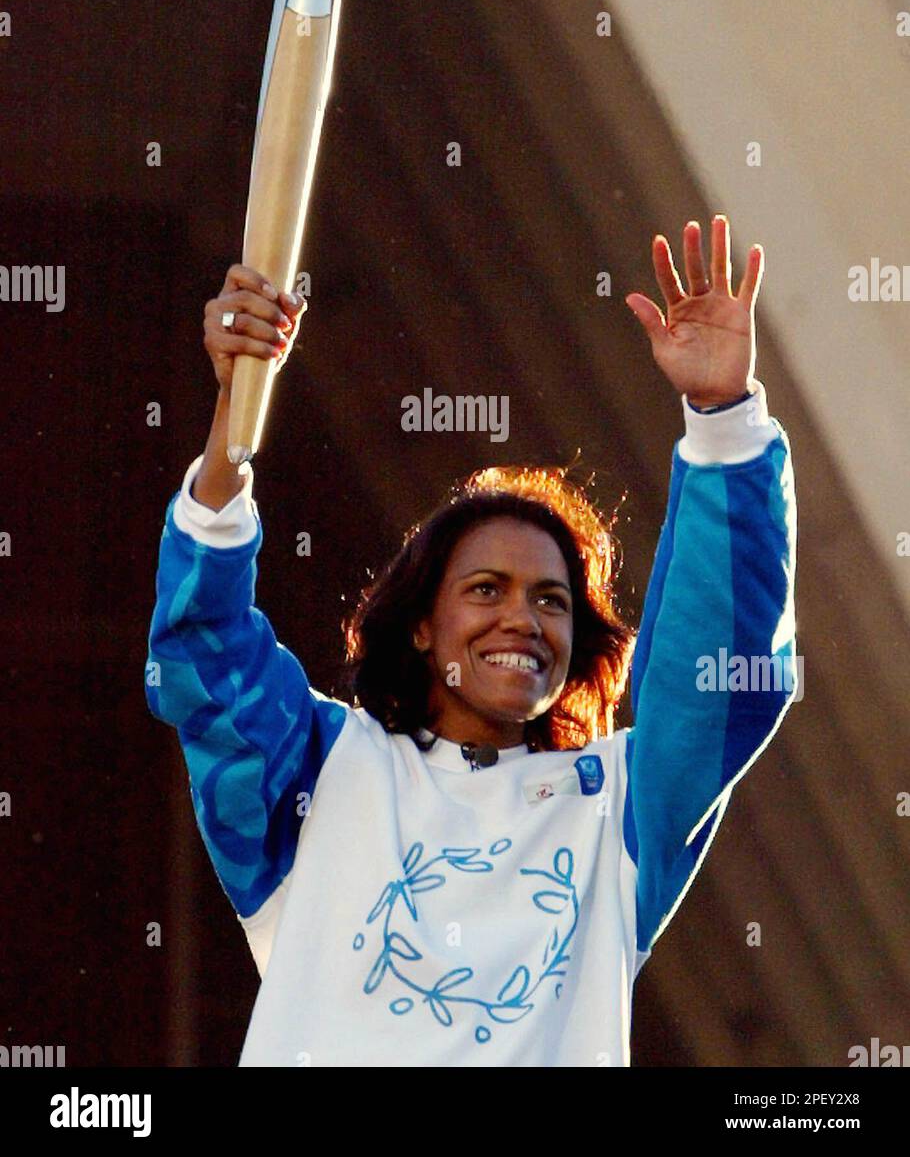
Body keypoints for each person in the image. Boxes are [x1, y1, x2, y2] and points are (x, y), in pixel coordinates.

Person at [145, 215, 797, 1067]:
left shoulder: (617, 810)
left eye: (552, 601)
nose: (521, 619)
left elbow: (725, 678)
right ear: (422, 624)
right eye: (486, 590)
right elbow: (203, 657)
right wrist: (234, 417)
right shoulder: (322, 769)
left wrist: (720, 419)